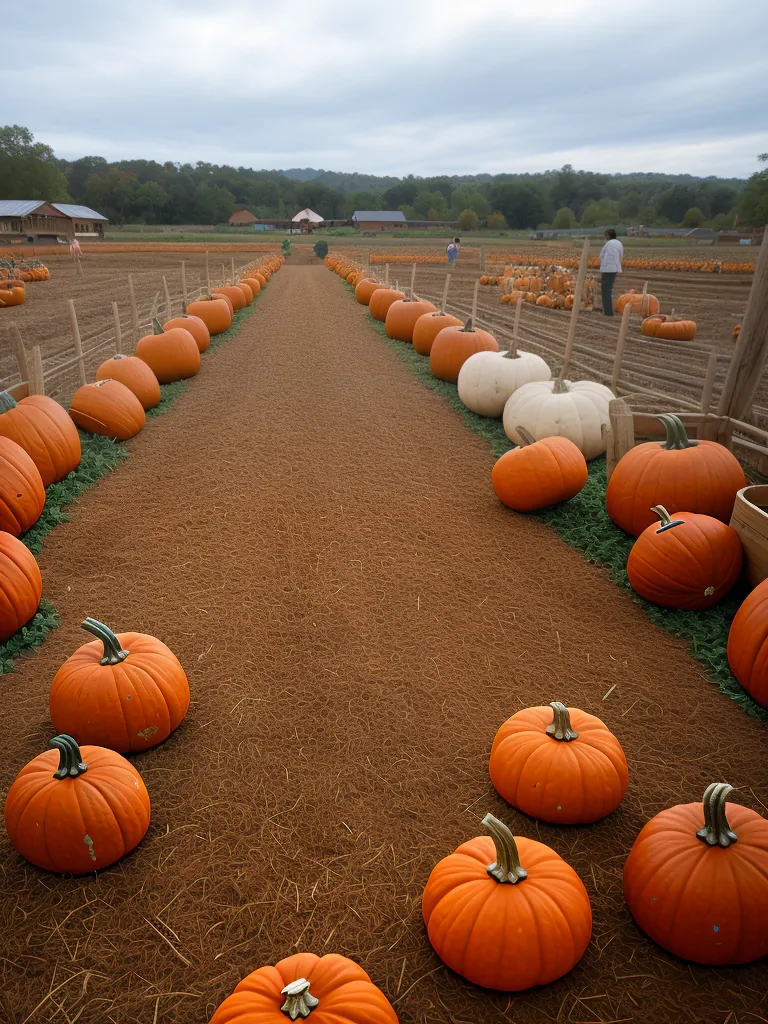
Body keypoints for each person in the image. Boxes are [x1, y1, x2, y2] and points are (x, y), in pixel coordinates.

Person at [599, 228, 623, 316]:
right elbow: (621, 256)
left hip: (607, 269)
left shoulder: (608, 244)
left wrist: (602, 265)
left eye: (605, 235)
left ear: (609, 236)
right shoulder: (619, 243)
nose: (605, 237)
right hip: (615, 268)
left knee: (606, 291)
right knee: (609, 289)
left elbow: (601, 255)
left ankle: (608, 312)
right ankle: (608, 311)